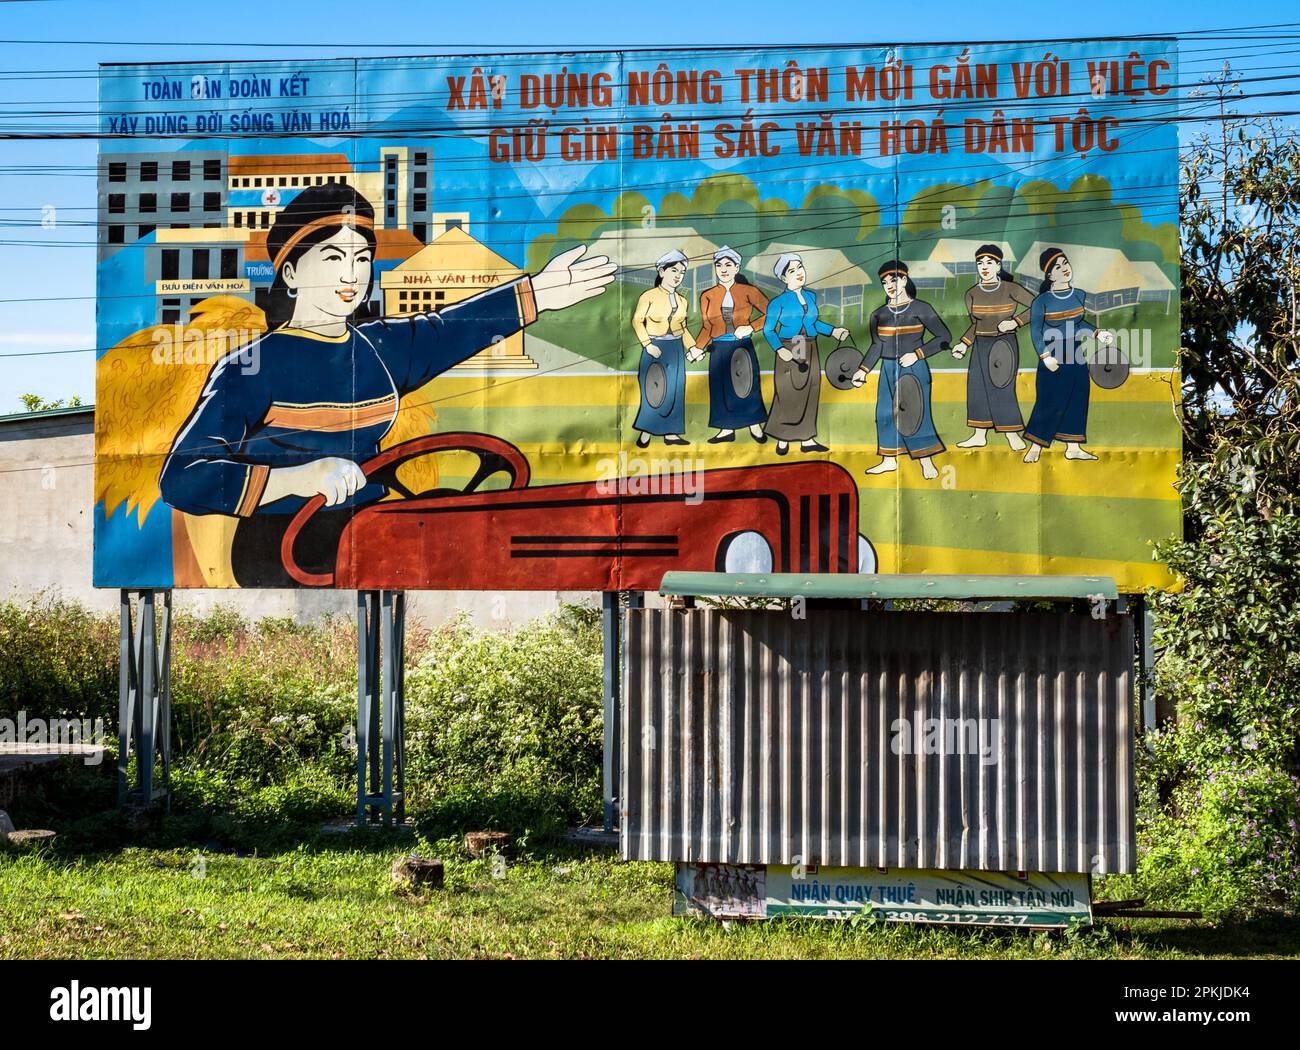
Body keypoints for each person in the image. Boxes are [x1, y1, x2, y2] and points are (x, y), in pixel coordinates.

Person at [159, 183, 615, 586]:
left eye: (362, 259)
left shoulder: (381, 346)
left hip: (377, 533)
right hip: (286, 549)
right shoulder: (251, 365)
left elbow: (454, 328)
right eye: (333, 257)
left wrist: (540, 292)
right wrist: (298, 477)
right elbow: (182, 478)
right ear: (292, 273)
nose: (351, 275)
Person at [852, 260, 951, 480]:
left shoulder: (921, 308)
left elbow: (944, 338)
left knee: (915, 414)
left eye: (894, 279)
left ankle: (926, 460)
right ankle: (888, 460)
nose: (889, 285)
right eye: (885, 282)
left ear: (905, 279)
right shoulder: (878, 314)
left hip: (914, 367)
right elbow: (876, 346)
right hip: (887, 368)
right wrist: (863, 370)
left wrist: (917, 354)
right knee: (885, 412)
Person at [1023, 247, 1114, 463]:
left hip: (1075, 351)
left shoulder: (1078, 295)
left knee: (1078, 395)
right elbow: (1035, 330)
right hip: (1052, 352)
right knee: (1049, 400)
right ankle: (1036, 446)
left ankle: (1073, 447)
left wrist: (1097, 333)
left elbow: (1078, 322)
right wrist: (1045, 356)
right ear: (1049, 275)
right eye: (1057, 266)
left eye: (1065, 264)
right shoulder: (1042, 301)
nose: (1064, 269)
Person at [761, 252, 849, 454]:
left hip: (809, 346)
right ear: (783, 278)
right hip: (789, 347)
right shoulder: (778, 302)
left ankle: (807, 439)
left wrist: (833, 331)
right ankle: (783, 438)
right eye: (792, 270)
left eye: (800, 267)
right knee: (787, 392)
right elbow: (768, 330)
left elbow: (813, 323)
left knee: (811, 390)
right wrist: (780, 349)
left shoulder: (810, 296)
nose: (799, 273)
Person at [951, 244, 1033, 450]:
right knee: (976, 388)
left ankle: (1012, 434)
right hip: (980, 344)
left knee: (1002, 387)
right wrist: (963, 343)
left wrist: (1016, 322)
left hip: (1004, 343)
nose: (984, 267)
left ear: (998, 265)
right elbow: (975, 323)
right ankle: (979, 434)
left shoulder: (1010, 289)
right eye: (980, 263)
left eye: (990, 262)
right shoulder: (971, 294)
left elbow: (1038, 305)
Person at [694, 246, 769, 443]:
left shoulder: (748, 291)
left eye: (728, 265)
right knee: (721, 387)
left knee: (747, 385)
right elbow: (706, 326)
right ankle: (725, 429)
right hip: (719, 348)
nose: (723, 269)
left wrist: (751, 327)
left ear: (737, 268)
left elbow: (771, 313)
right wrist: (697, 347)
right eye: (719, 265)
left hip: (742, 345)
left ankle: (755, 425)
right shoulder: (707, 295)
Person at [631, 249, 700, 447]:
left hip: (675, 349)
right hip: (654, 348)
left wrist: (693, 347)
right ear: (662, 271)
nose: (678, 276)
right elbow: (637, 321)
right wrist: (647, 344)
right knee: (653, 390)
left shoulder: (682, 301)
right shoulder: (649, 296)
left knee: (676, 389)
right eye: (674, 271)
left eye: (682, 273)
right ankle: (646, 431)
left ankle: (672, 433)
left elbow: (682, 329)